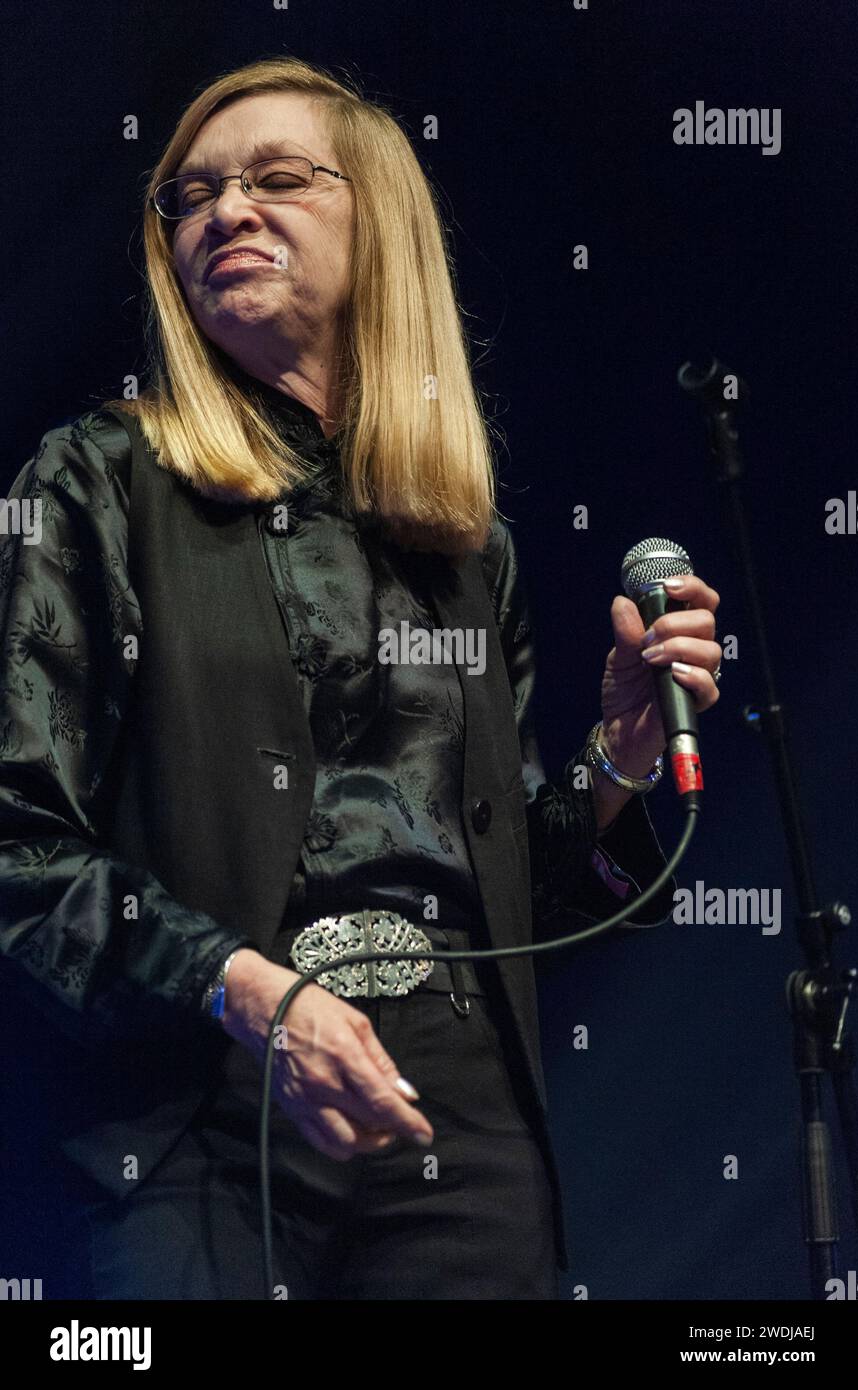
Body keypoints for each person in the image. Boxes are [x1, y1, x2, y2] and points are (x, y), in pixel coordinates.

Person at [0, 55, 722, 1300]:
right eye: (192, 195)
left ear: (379, 224)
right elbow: (15, 843)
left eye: (279, 179)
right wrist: (246, 995)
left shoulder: (463, 544)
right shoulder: (95, 484)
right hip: (196, 1115)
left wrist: (618, 761)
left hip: (456, 1118)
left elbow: (522, 909)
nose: (227, 211)